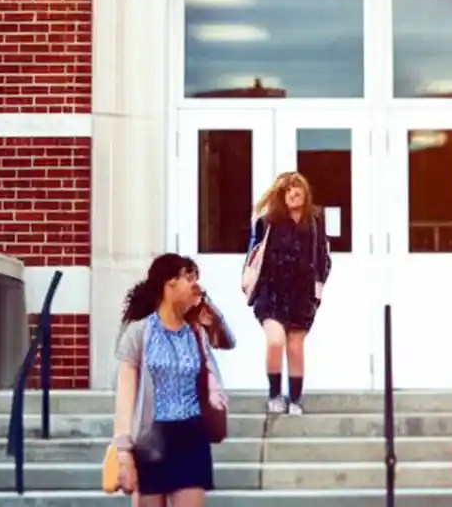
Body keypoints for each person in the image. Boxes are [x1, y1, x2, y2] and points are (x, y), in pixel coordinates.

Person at [111, 254, 225, 506]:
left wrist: (207, 303)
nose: (194, 285)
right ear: (169, 283)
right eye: (188, 279)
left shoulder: (196, 333)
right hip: (152, 438)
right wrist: (123, 452)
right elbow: (125, 397)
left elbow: (228, 340)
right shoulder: (139, 332)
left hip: (191, 435)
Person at [244, 172, 331, 415]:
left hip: (302, 295)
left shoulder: (314, 221)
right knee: (275, 341)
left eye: (297, 189)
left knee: (295, 346)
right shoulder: (268, 221)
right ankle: (274, 395)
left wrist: (318, 287)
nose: (293, 194)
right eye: (288, 190)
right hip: (271, 292)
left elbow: (323, 256)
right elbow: (253, 253)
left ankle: (294, 399)